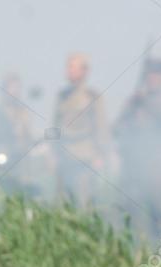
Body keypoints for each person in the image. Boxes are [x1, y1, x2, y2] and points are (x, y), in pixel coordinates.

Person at [114, 58, 161, 238]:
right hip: (133, 164)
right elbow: (118, 126)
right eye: (150, 75)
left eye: (156, 75)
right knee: (129, 209)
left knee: (157, 210)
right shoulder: (134, 100)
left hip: (158, 165)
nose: (152, 79)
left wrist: (146, 104)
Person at [52, 53, 110, 206]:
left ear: (84, 71)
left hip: (85, 158)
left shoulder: (92, 96)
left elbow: (101, 128)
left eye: (73, 67)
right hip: (64, 158)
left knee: (84, 203)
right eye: (68, 67)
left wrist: (100, 155)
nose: (68, 71)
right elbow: (55, 127)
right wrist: (52, 153)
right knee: (62, 202)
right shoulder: (62, 96)